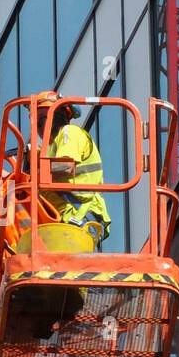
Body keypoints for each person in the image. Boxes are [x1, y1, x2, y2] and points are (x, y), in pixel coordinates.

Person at [32, 90, 111, 248]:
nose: (40, 126)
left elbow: (66, 166)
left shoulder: (69, 132)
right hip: (67, 218)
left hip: (80, 215)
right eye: (36, 122)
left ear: (59, 113)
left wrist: (35, 173)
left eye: (43, 118)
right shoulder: (51, 148)